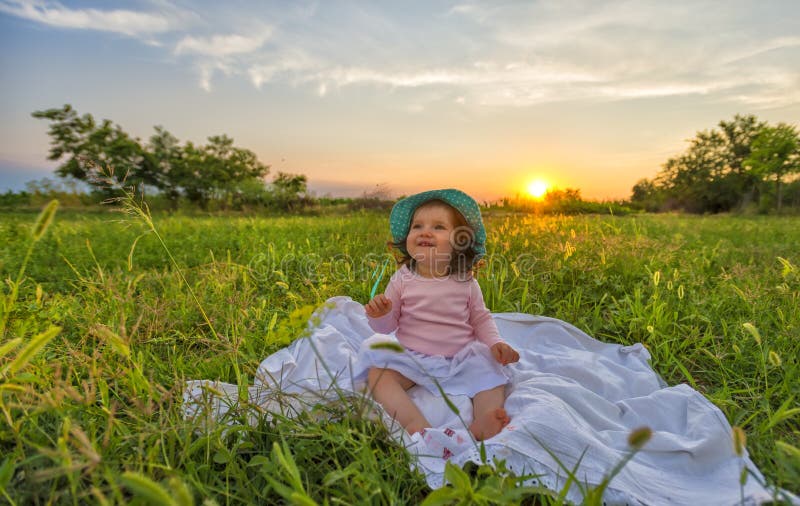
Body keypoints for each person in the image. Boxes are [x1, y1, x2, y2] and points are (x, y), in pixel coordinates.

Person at [359, 189, 519, 441]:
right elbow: (385, 328)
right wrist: (381, 314)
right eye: (417, 226)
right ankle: (417, 427)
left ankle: (484, 420)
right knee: (378, 376)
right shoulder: (403, 279)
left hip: (460, 356)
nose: (425, 232)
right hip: (413, 357)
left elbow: (481, 318)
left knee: (491, 377)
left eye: (438, 227)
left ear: (459, 242)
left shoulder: (465, 280)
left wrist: (495, 343)